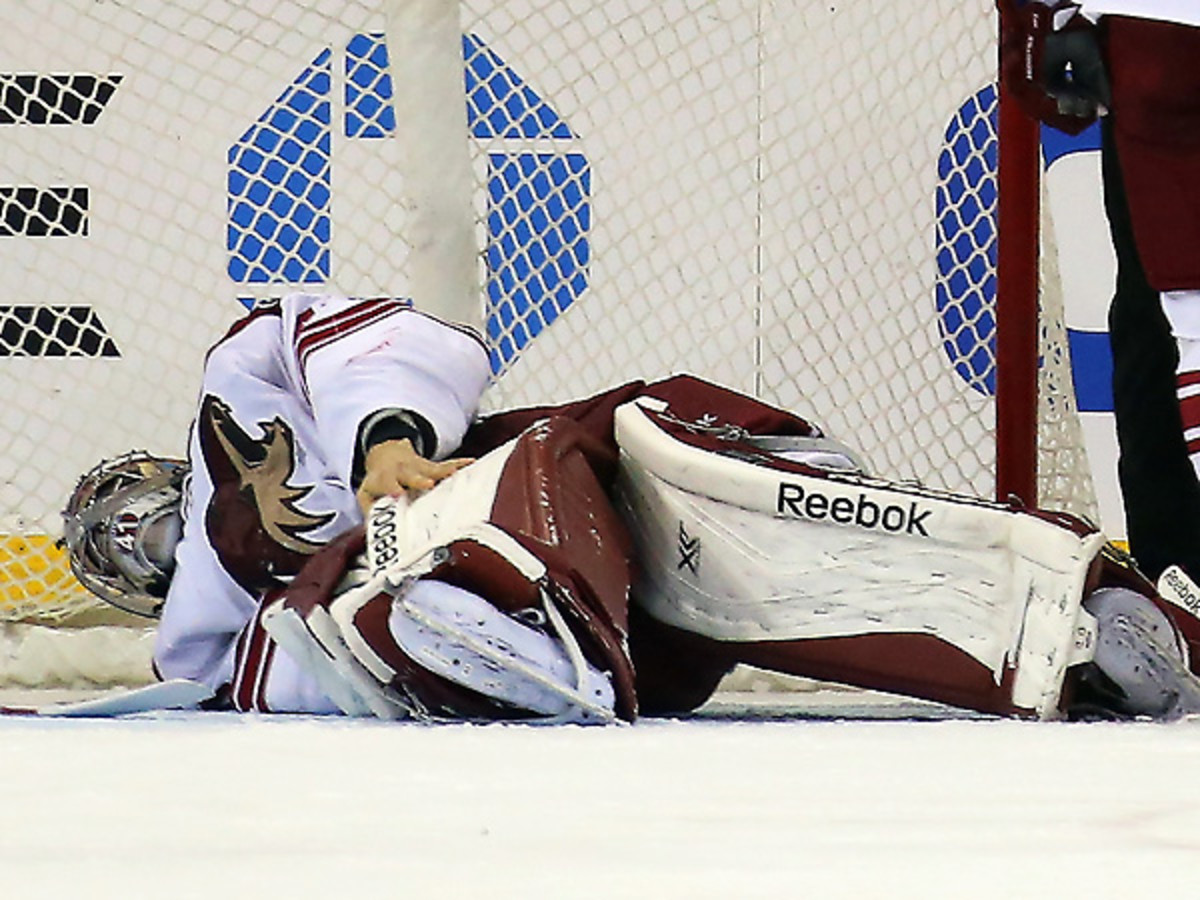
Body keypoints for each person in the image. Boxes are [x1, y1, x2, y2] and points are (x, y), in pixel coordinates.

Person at [62, 292, 1200, 722]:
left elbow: (382, 340)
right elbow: (291, 685)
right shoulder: (203, 654)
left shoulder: (241, 392)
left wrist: (392, 440)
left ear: (159, 471)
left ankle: (1086, 630)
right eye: (123, 557)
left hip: (576, 516)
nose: (142, 539)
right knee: (366, 618)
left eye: (138, 513)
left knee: (639, 450)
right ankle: (511, 634)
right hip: (595, 642)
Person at [998, 2, 1200, 583]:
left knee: (1169, 318)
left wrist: (1037, 25)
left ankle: (1175, 580)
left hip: (1159, 40)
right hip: (1162, 43)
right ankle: (1175, 576)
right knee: (1161, 316)